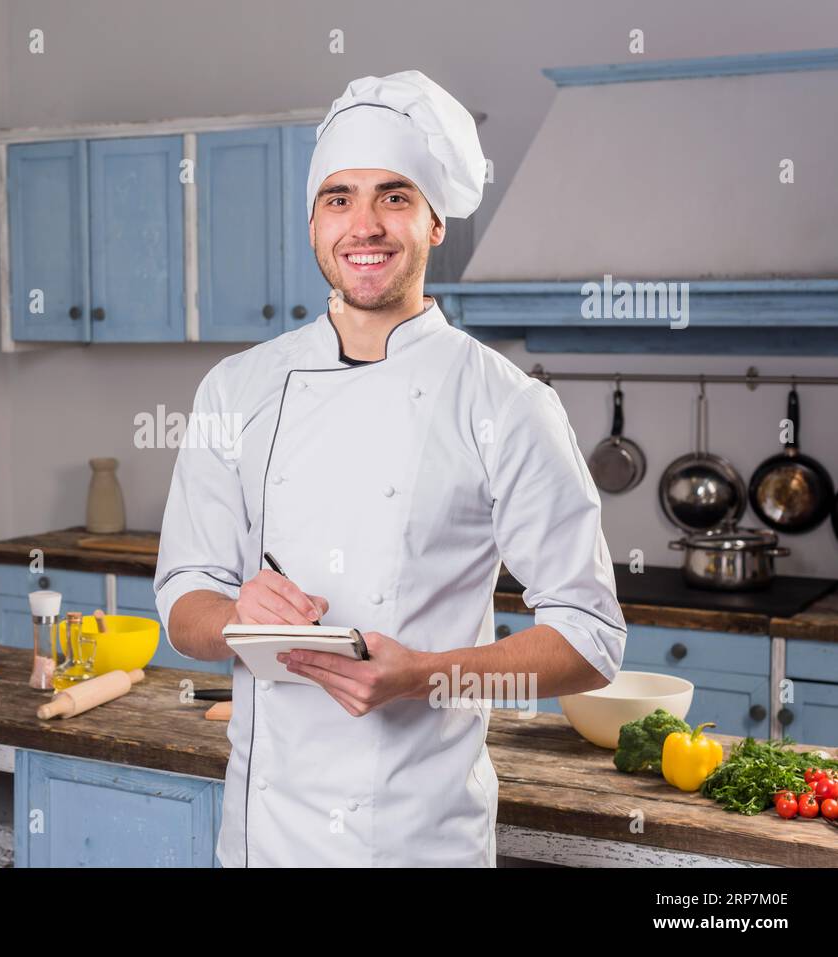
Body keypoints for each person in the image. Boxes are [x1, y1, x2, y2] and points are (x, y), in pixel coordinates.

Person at [153, 70, 626, 867]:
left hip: (415, 840)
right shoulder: (236, 386)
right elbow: (181, 601)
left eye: (394, 196)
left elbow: (591, 639)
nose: (363, 224)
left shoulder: (504, 404)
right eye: (339, 198)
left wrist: (424, 677)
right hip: (257, 841)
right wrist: (238, 614)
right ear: (312, 220)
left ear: (435, 221)